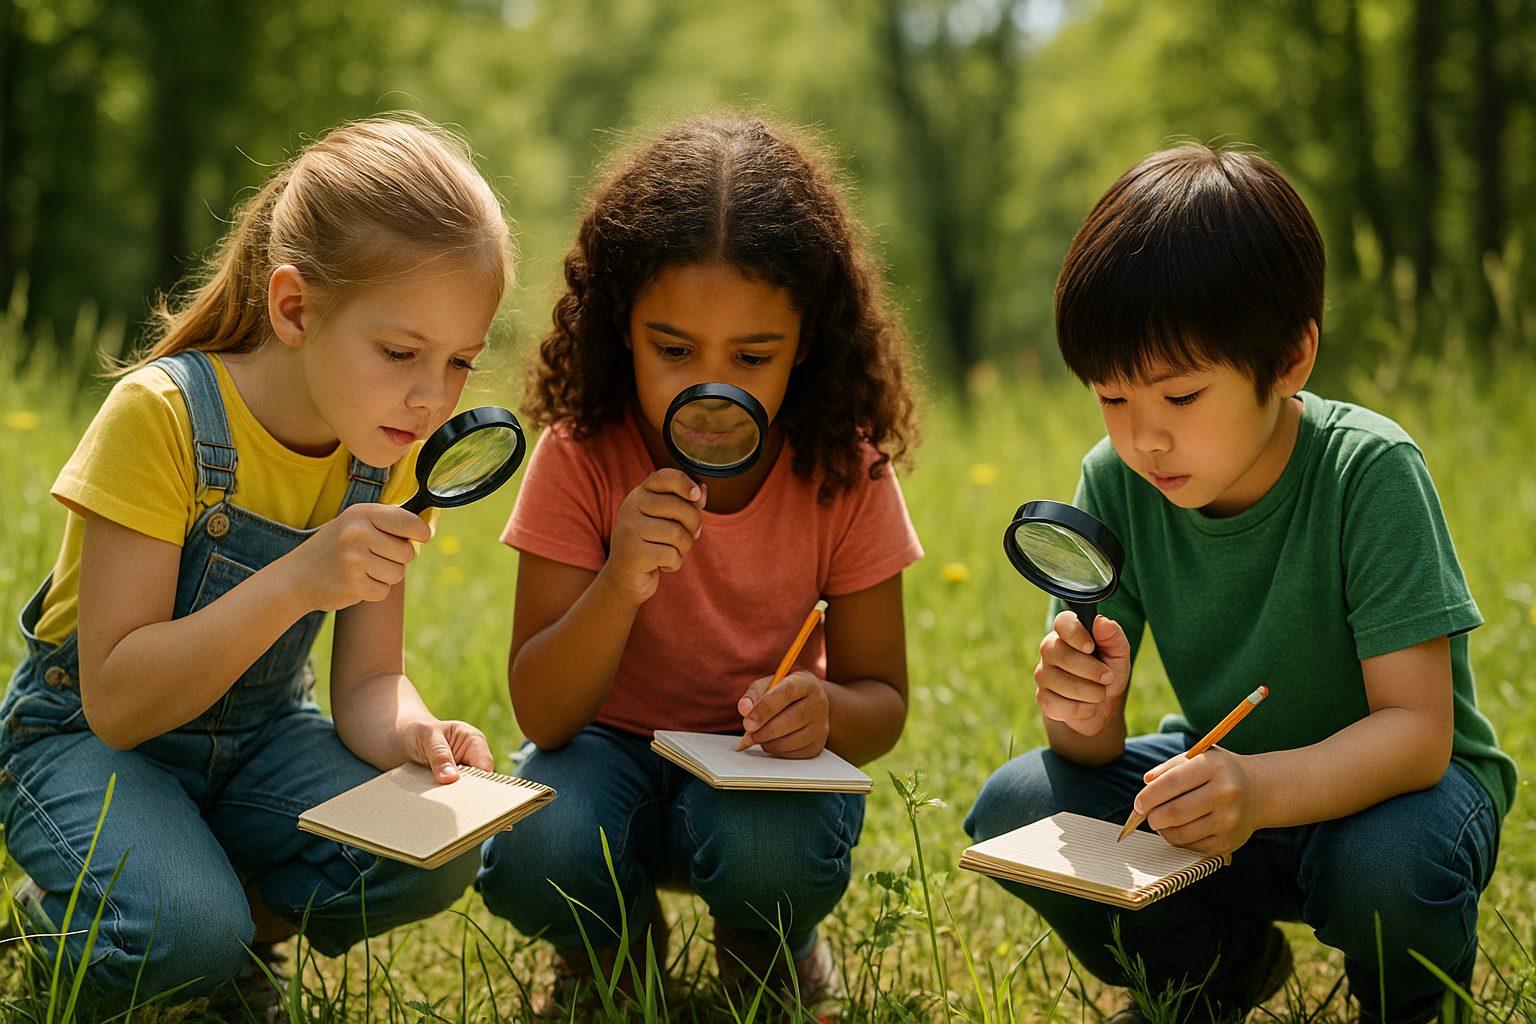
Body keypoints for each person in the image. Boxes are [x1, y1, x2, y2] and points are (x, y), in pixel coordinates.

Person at [965, 145, 1515, 1024]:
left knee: (1388, 866)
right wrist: (1082, 709)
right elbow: (1085, 756)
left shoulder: (1368, 471)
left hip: (1394, 805)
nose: (1144, 439)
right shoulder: (1116, 482)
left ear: (1291, 358)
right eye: (1111, 398)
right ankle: (1210, 971)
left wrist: (1260, 791)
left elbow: (1419, 735)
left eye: (1181, 398)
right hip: (1223, 802)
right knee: (1020, 806)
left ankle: (1415, 1004)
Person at [0, 116, 512, 1004]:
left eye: (461, 360)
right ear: (294, 308)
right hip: (89, 745)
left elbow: (368, 681)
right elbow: (116, 702)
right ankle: (69, 920)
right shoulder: (161, 418)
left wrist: (413, 733)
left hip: (258, 742)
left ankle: (218, 925)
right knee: (183, 933)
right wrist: (299, 579)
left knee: (434, 848)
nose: (431, 397)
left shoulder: (385, 453)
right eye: (400, 353)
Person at [476, 114, 922, 1017]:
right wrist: (619, 579)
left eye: (753, 357)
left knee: (770, 852)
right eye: (673, 350)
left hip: (760, 777)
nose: (710, 391)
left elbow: (883, 702)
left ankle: (764, 940)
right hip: (605, 757)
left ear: (807, 342)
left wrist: (827, 710)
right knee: (535, 844)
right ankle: (613, 943)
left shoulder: (846, 471)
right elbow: (543, 713)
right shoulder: (581, 455)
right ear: (621, 327)